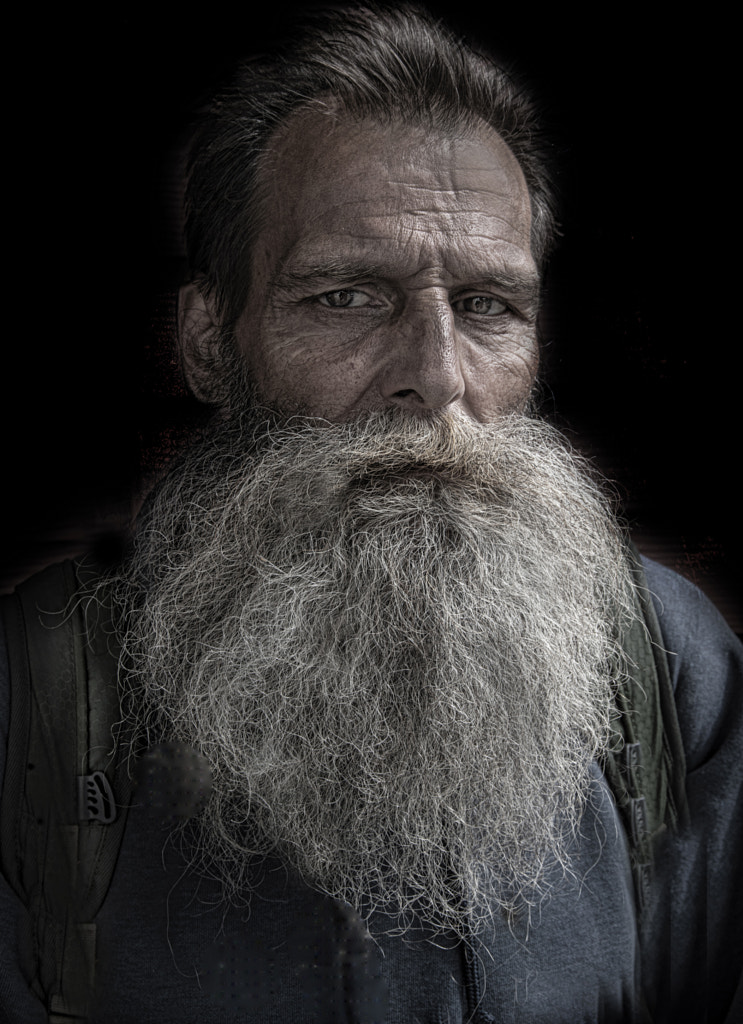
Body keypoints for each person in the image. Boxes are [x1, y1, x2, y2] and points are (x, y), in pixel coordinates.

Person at [1, 5, 740, 1022]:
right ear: (212, 340)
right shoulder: (32, 698)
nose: (436, 380)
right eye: (346, 297)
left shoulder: (672, 665)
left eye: (488, 306)